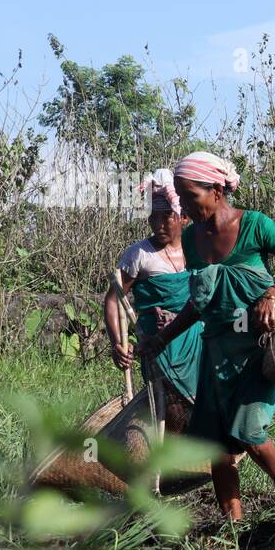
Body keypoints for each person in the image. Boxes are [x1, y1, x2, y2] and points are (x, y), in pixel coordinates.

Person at [139, 151, 275, 518]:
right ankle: (232, 522)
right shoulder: (191, 240)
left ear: (217, 190)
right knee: (215, 442)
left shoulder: (255, 226)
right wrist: (165, 335)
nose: (186, 205)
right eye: (181, 197)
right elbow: (201, 301)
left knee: (248, 426)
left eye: (192, 195)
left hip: (254, 349)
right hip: (216, 351)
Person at [102, 169, 203, 433]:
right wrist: (117, 344)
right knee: (168, 413)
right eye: (152, 216)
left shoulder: (197, 249)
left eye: (166, 216)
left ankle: (197, 467)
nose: (158, 224)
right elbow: (114, 300)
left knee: (202, 410)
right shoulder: (139, 255)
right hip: (159, 347)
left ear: (183, 217)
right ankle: (166, 468)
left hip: (196, 343)